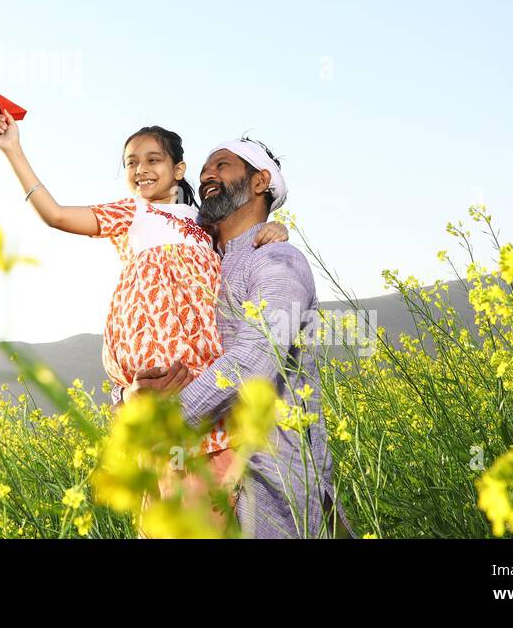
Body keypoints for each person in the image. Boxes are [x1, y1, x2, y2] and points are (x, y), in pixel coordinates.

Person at [0, 111, 288, 535]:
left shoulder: (208, 228)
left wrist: (277, 227)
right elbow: (54, 215)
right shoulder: (132, 214)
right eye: (131, 162)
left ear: (178, 169)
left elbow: (245, 236)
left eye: (153, 160)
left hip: (206, 393)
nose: (141, 169)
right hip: (152, 391)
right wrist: (12, 150)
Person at [130, 137, 355, 538]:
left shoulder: (277, 260)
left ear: (260, 181)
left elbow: (257, 358)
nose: (206, 175)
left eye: (222, 165)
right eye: (203, 170)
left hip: (270, 481)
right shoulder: (197, 263)